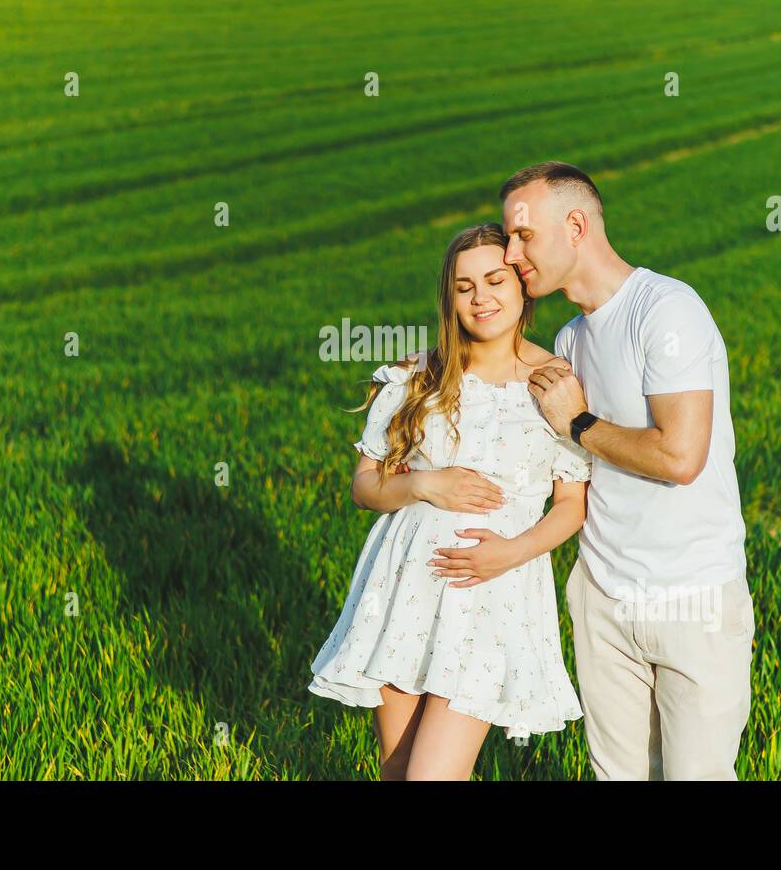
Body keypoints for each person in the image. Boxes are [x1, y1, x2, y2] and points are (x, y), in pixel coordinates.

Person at [308, 222, 591, 780]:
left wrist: (509, 553)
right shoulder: (418, 376)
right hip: (406, 588)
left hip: (492, 594)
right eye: (465, 287)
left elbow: (570, 505)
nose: (481, 297)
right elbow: (365, 486)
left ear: (522, 287)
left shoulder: (554, 382)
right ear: (450, 298)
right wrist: (423, 484)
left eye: (495, 281)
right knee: (397, 770)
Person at [500, 160, 754, 781]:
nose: (511, 255)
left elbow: (680, 457)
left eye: (524, 235)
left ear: (576, 226)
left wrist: (579, 422)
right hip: (604, 598)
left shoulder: (665, 310)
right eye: (509, 238)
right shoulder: (570, 340)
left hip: (692, 596)